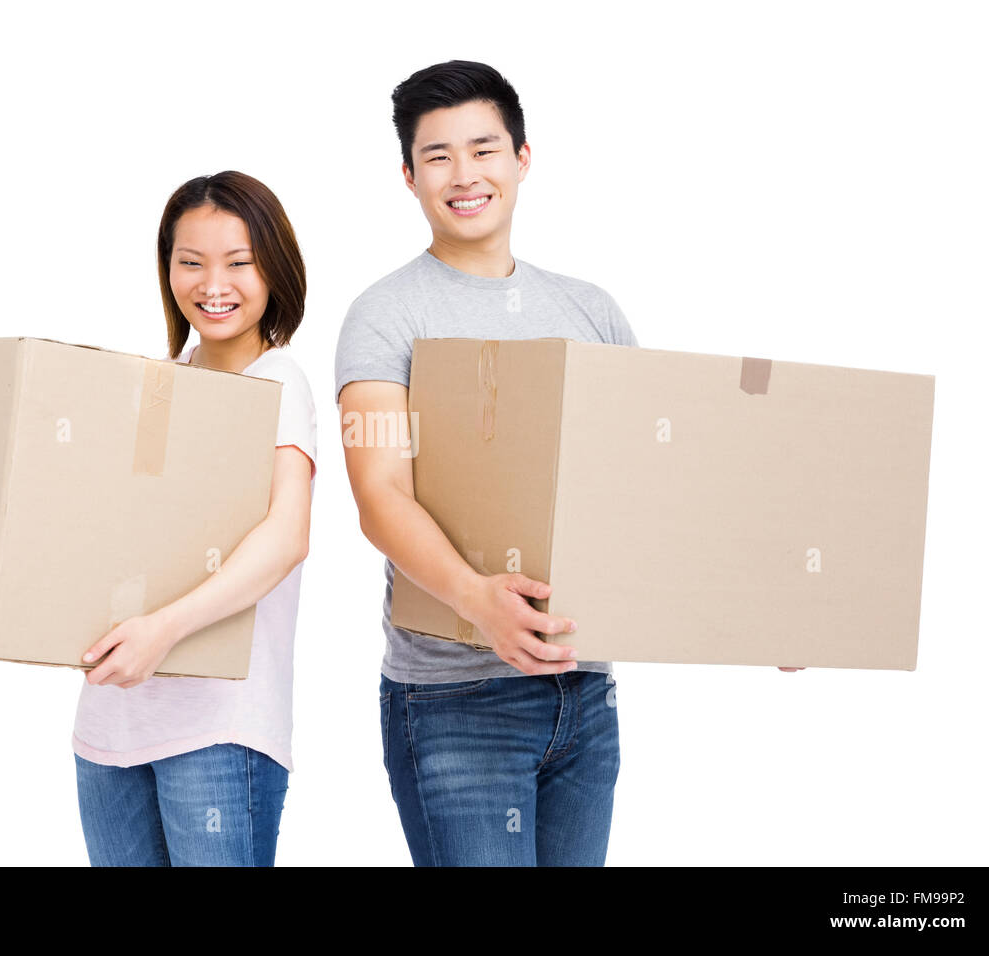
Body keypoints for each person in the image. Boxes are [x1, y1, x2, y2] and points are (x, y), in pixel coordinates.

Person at [333, 60, 801, 868]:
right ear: (408, 177)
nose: (464, 174)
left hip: (586, 692)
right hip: (455, 700)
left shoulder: (591, 311)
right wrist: (479, 600)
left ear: (522, 157)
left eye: (484, 148)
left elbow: (654, 486)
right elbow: (380, 497)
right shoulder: (385, 316)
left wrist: (758, 604)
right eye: (438, 156)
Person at [69, 170, 317, 866]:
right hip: (111, 722)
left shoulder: (276, 383)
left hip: (218, 731)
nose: (214, 283)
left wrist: (164, 630)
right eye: (191, 262)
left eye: (239, 262)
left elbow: (286, 535)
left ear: (274, 270)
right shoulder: (158, 385)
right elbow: (79, 528)